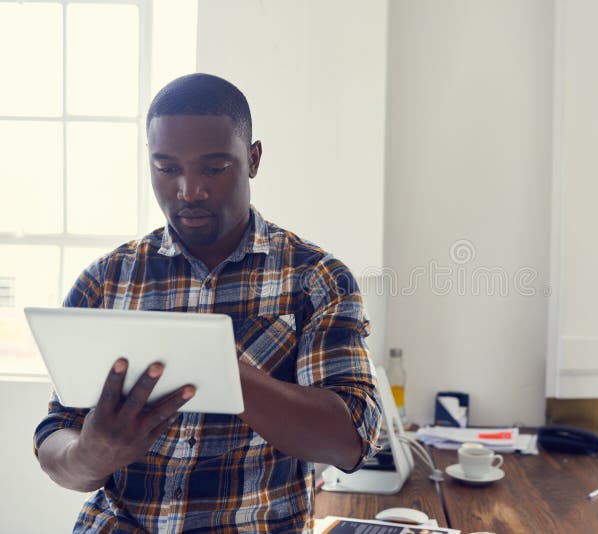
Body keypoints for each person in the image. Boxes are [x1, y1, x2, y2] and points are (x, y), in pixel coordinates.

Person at [33, 73, 382, 533]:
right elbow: (56, 441)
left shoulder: (315, 279)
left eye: (213, 169)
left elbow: (350, 441)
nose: (189, 190)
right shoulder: (105, 281)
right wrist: (89, 455)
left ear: (253, 159)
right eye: (166, 168)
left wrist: (208, 365)